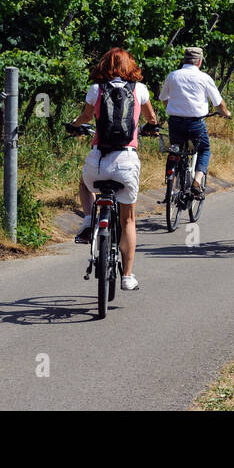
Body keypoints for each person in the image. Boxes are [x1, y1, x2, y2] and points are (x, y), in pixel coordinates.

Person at [69, 48, 159, 290]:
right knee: (128, 220)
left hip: (98, 160)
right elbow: (152, 118)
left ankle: (88, 219)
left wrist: (73, 125)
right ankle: (128, 276)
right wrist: (152, 127)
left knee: (84, 183)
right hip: (126, 162)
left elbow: (86, 117)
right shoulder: (140, 90)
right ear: (130, 66)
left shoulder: (96, 90)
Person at [159, 46, 231, 194]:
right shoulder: (204, 78)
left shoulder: (173, 75)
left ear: (184, 60)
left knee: (175, 148)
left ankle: (170, 183)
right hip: (195, 123)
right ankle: (197, 182)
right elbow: (219, 103)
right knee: (204, 149)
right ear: (199, 62)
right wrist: (225, 113)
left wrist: (172, 106)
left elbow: (163, 98)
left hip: (175, 122)